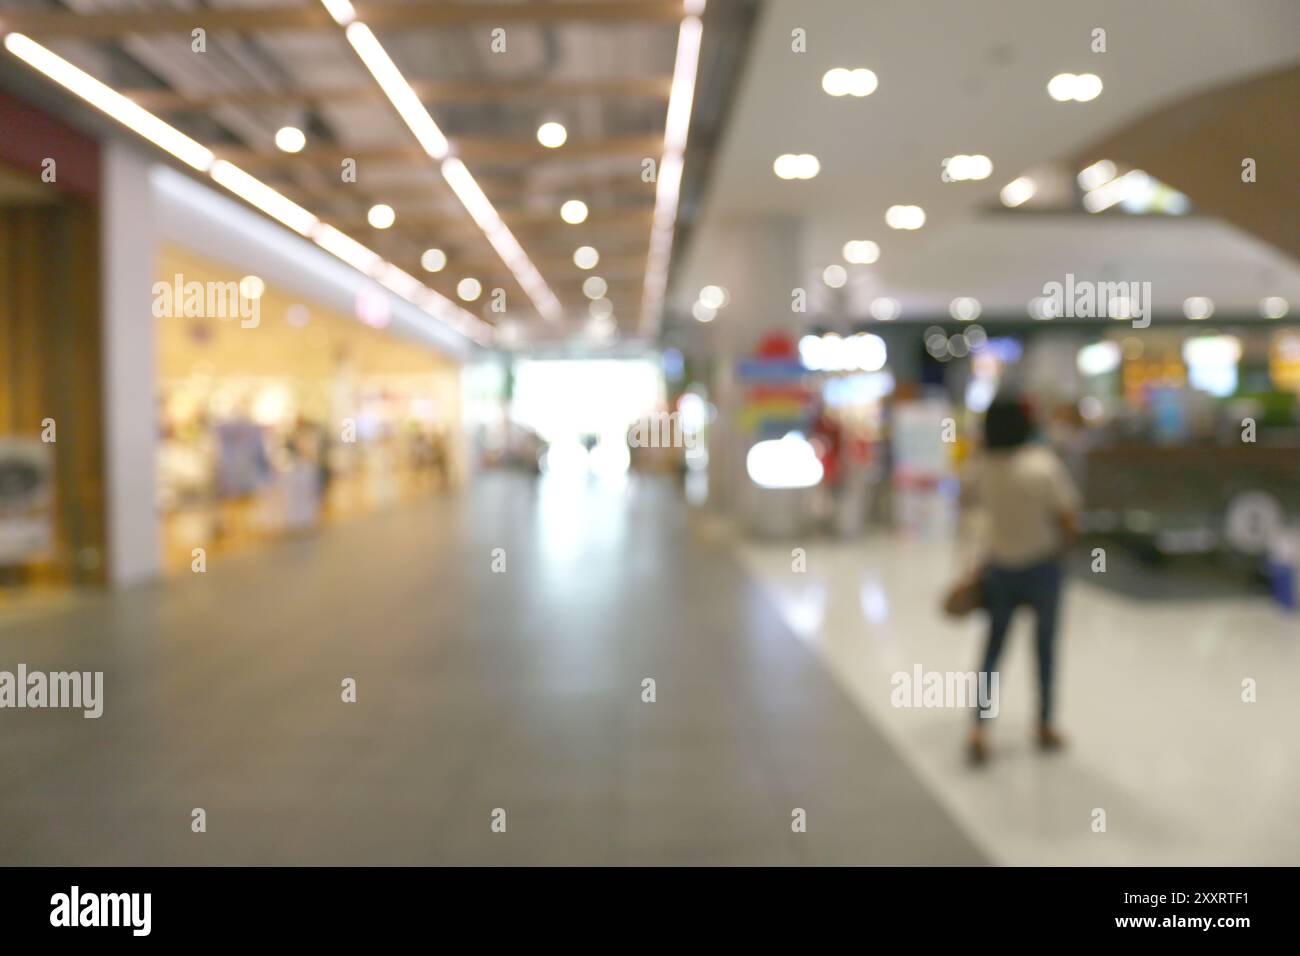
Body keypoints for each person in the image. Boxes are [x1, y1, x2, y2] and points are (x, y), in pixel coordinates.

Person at [960, 396, 1081, 765]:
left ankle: (979, 727)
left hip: (998, 566)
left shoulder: (982, 467)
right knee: (1044, 648)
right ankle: (1044, 724)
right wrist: (1061, 549)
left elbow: (967, 507)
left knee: (993, 650)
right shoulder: (1042, 466)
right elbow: (1069, 519)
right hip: (1042, 567)